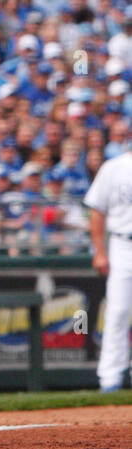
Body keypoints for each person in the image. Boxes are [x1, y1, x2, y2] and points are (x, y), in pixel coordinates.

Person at [85, 151, 132, 392]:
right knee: (118, 310)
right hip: (122, 244)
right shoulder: (114, 167)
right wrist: (99, 251)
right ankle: (110, 377)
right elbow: (97, 211)